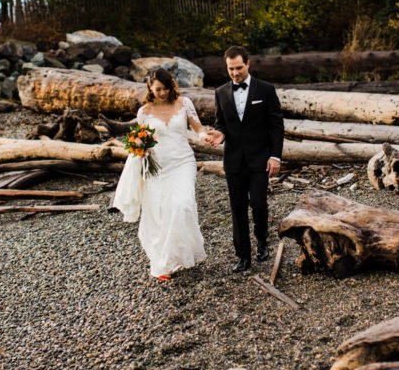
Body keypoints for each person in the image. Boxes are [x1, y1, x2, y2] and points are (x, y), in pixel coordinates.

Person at [112, 69, 210, 281]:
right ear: (150, 88)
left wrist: (205, 137)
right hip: (158, 166)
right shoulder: (144, 112)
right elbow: (143, 139)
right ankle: (164, 262)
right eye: (158, 89)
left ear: (171, 86)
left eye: (165, 88)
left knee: (182, 205)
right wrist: (140, 148)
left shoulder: (184, 103)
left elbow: (198, 128)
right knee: (160, 213)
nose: (163, 93)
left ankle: (184, 252)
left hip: (183, 162)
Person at [205, 46, 284, 273]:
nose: (235, 73)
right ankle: (243, 256)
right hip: (233, 161)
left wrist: (275, 156)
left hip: (260, 159)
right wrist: (220, 134)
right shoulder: (220, 92)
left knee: (258, 204)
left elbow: (276, 126)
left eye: (239, 68)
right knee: (237, 208)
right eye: (231, 69)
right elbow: (221, 123)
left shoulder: (266, 90)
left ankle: (262, 239)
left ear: (248, 64)